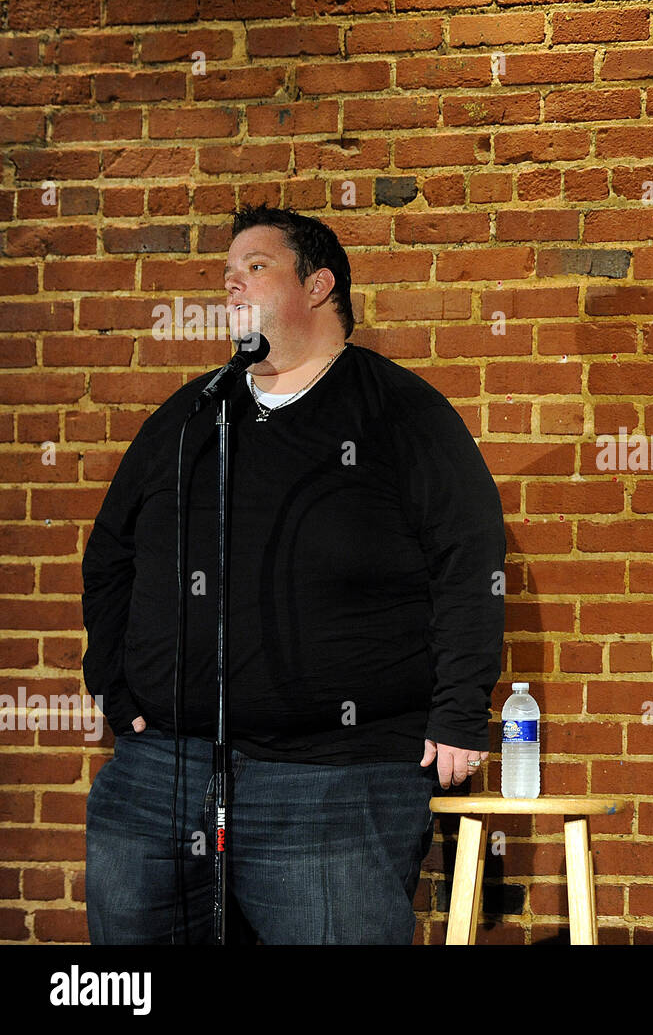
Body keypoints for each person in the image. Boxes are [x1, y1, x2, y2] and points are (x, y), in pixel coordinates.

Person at [81, 204, 506, 944]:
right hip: (164, 772)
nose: (232, 286)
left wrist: (460, 710)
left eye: (255, 267)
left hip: (335, 778)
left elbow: (468, 559)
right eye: (224, 275)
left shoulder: (400, 413)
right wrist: (114, 685)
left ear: (319, 286)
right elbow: (111, 551)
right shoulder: (194, 415)